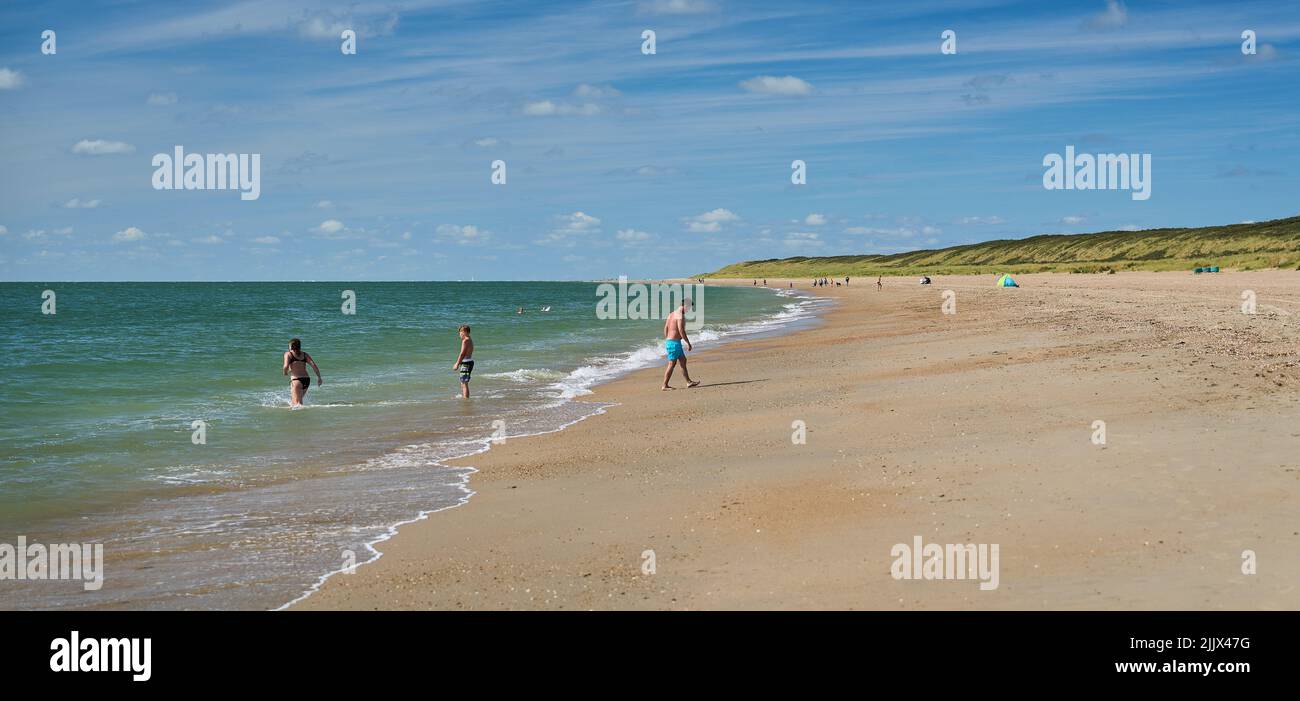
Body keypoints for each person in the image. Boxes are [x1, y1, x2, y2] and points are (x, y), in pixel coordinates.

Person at [661, 299, 699, 390]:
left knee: (683, 360)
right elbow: (681, 330)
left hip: (672, 342)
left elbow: (665, 328)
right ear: (686, 306)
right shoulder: (680, 316)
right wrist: (688, 343)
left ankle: (689, 382)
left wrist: (668, 339)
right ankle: (664, 385)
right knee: (671, 364)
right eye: (689, 308)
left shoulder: (671, 314)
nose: (688, 310)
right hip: (674, 343)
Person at [283, 338, 322, 407]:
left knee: (298, 404)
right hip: (306, 380)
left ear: (291, 346)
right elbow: (313, 365)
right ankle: (299, 416)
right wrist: (319, 377)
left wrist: (285, 372)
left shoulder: (288, 354)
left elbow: (285, 366)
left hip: (296, 380)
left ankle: (301, 417)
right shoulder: (304, 354)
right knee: (295, 402)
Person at [452, 324, 474, 398]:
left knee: (464, 383)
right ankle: (465, 397)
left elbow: (462, 353)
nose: (460, 334)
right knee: (463, 382)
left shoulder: (465, 340)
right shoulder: (469, 339)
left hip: (466, 363)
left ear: (465, 332)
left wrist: (457, 364)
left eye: (461, 332)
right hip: (469, 362)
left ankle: (465, 400)